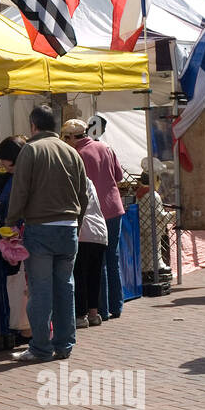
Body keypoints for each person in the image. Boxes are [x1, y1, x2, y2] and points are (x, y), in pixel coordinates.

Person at [3, 105, 88, 363]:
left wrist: (10, 224)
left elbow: (20, 191)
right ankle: (64, 345)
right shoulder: (71, 152)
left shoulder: (31, 150)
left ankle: (40, 347)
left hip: (41, 228)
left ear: (33, 126)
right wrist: (77, 222)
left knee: (40, 291)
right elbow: (83, 194)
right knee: (65, 288)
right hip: (69, 228)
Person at [63, 119, 126, 321]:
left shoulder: (76, 155)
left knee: (96, 264)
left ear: (72, 137)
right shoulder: (105, 147)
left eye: (65, 137)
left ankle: (101, 308)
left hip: (92, 212)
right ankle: (116, 305)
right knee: (111, 258)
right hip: (114, 208)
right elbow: (119, 176)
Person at [0, 137, 30, 345]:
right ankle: (26, 329)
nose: (2, 165)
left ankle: (26, 331)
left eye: (4, 160)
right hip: (17, 237)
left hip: (15, 239)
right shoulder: (21, 175)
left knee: (19, 284)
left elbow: (0, 202)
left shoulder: (17, 179)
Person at [73, 177, 109, 327]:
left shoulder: (75, 180)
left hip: (84, 231)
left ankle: (81, 315)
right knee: (94, 275)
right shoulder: (89, 180)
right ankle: (93, 314)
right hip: (99, 231)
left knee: (80, 276)